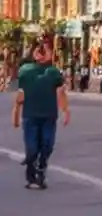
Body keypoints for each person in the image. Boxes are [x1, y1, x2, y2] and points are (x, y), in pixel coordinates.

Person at [12, 43, 70, 190]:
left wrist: (65, 110)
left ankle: (41, 169)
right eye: (39, 49)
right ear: (34, 54)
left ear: (51, 54)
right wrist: (16, 113)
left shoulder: (54, 72)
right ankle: (32, 174)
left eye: (46, 50)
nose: (42, 52)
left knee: (47, 145)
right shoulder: (25, 71)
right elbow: (20, 95)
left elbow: (61, 92)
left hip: (49, 116)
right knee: (31, 148)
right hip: (30, 116)